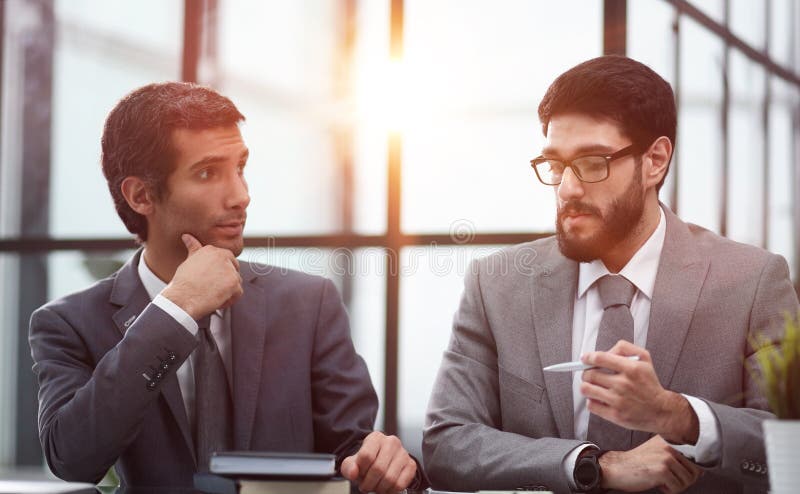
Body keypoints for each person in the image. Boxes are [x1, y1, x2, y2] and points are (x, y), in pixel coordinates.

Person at [422, 55, 798, 494]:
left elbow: (789, 446)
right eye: (557, 165)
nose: (567, 188)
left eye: (592, 162)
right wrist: (590, 465)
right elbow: (447, 443)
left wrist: (677, 415)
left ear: (655, 160)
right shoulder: (497, 283)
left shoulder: (753, 282)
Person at [29, 82, 422, 493]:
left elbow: (352, 454)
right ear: (141, 195)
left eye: (240, 168)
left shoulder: (309, 304)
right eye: (207, 173)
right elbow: (72, 457)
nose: (241, 196)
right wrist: (176, 309)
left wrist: (386, 466)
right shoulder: (68, 324)